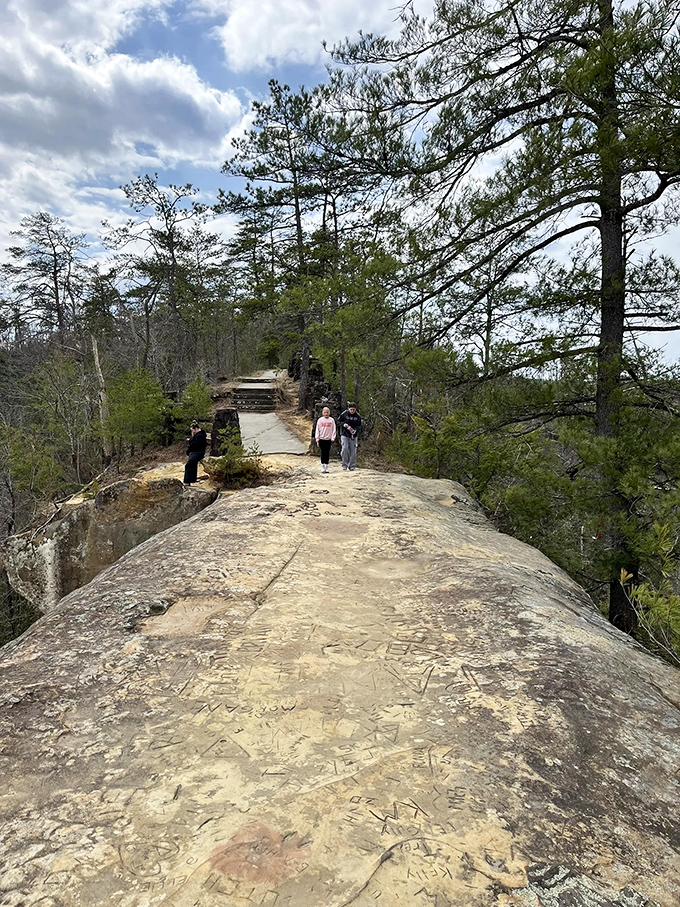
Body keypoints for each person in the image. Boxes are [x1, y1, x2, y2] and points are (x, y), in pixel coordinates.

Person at [338, 401, 362, 471]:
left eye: (353, 409)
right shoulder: (344, 414)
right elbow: (338, 421)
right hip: (345, 434)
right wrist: (343, 424)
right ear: (348, 408)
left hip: (353, 435)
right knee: (344, 448)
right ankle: (344, 464)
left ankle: (352, 466)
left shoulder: (358, 416)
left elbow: (359, 426)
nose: (352, 411)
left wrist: (356, 430)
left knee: (353, 451)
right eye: (351, 409)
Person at [183, 420, 207, 486]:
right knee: (191, 465)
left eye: (192, 430)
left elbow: (195, 445)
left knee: (189, 465)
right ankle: (190, 480)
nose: (192, 432)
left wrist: (190, 441)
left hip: (197, 453)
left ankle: (187, 481)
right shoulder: (198, 436)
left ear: (195, 429)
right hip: (195, 453)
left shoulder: (200, 436)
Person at [314, 406, 337, 473]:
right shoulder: (320, 420)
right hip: (321, 438)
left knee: (327, 452)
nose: (326, 413)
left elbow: (334, 429)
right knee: (322, 452)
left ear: (329, 413)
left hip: (328, 439)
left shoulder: (331, 420)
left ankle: (326, 466)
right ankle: (322, 465)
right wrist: (317, 438)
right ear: (322, 413)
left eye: (327, 412)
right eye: (325, 412)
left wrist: (333, 437)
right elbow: (317, 430)